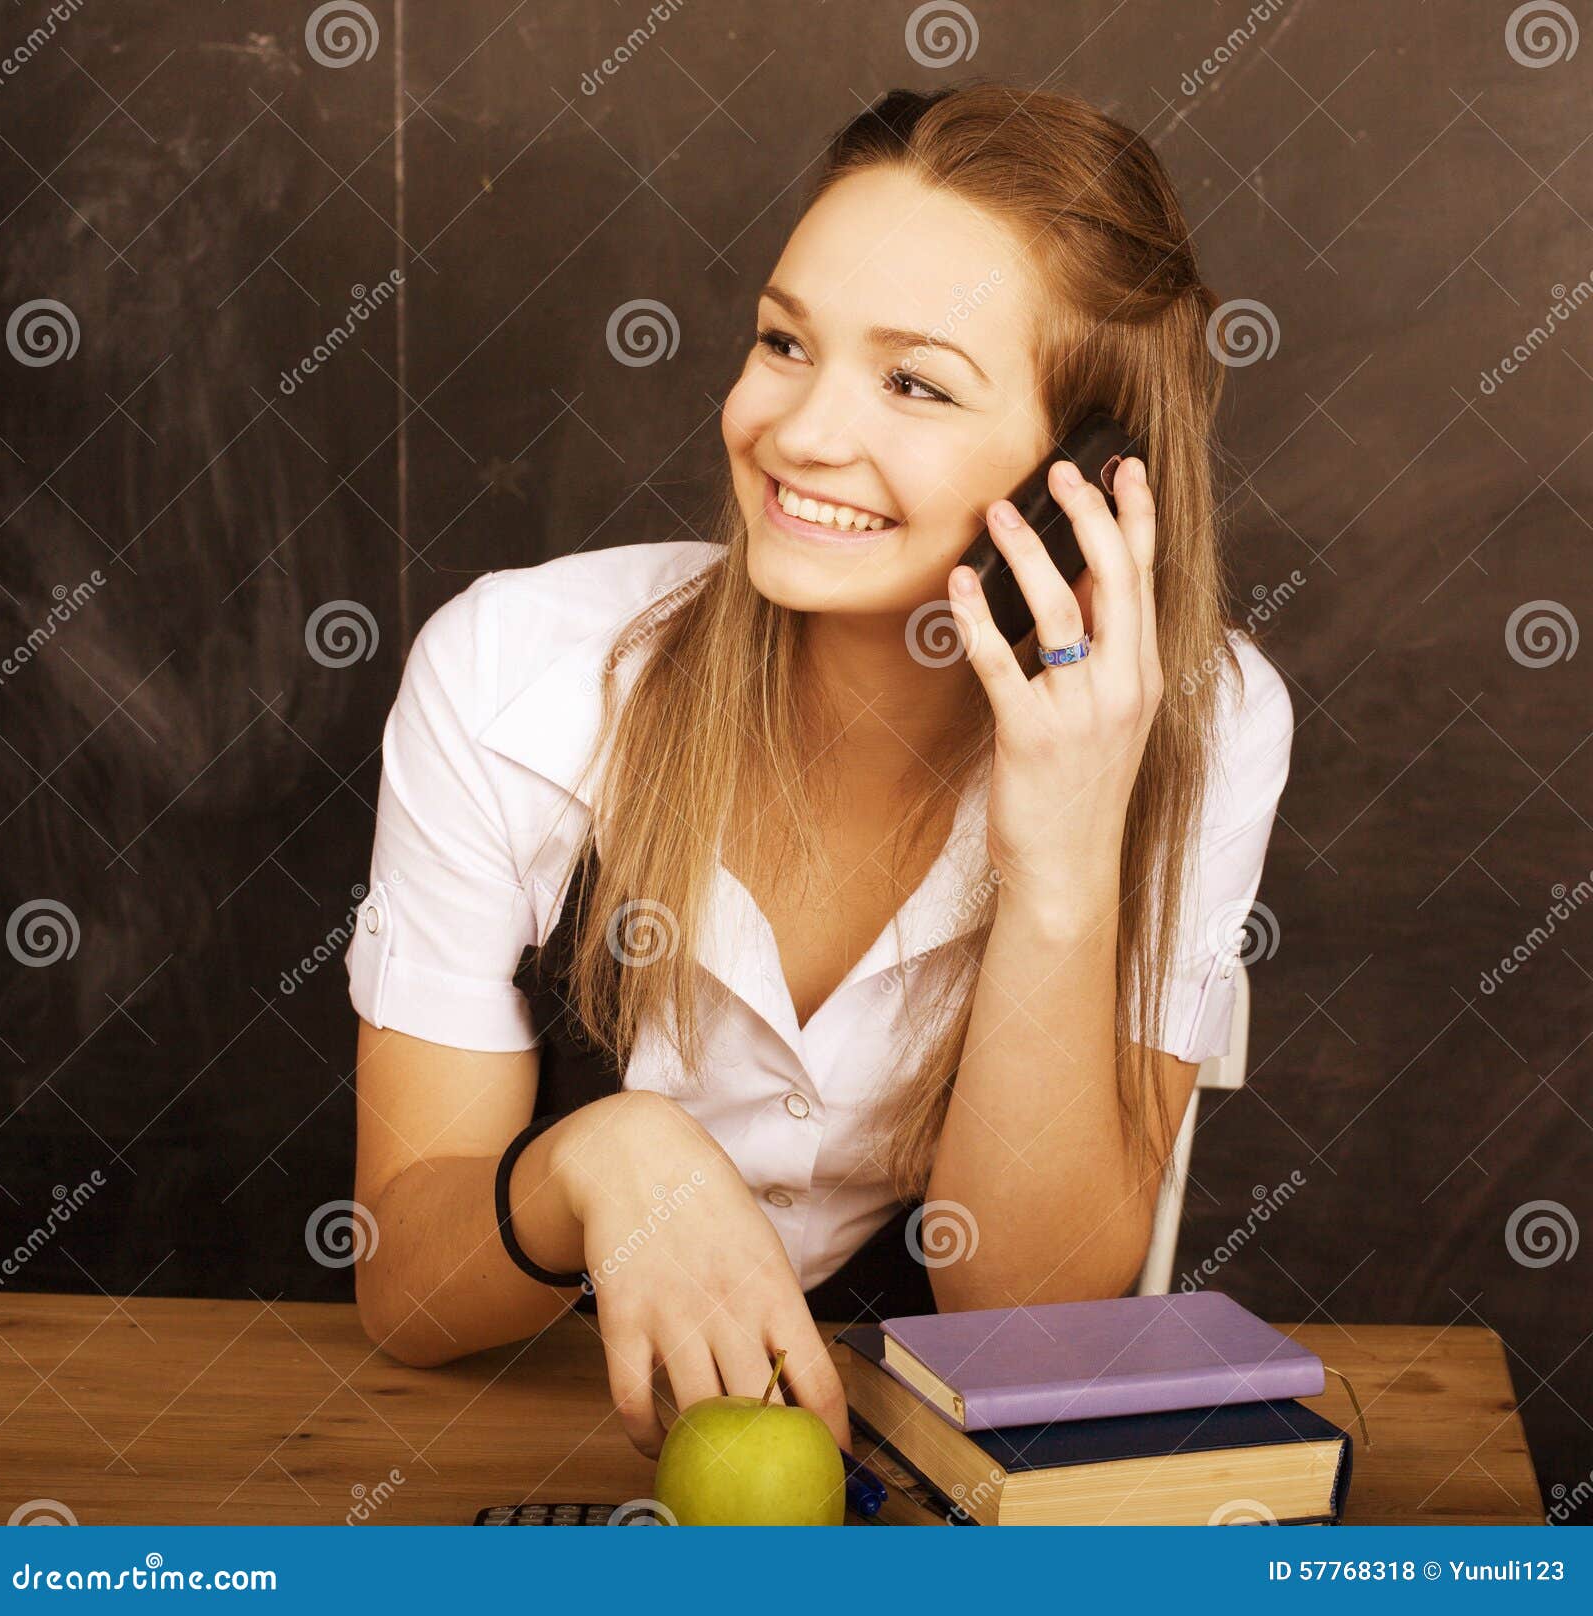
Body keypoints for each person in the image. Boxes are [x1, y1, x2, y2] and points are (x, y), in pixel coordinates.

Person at [346, 83, 1294, 1463]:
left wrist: (1064, 862)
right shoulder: (509, 676)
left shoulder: (1204, 726)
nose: (795, 434)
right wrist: (609, 1158)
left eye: (912, 382)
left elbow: (1030, 1334)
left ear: (1084, 479)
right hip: (523, 1439)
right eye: (785, 343)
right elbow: (409, 1292)